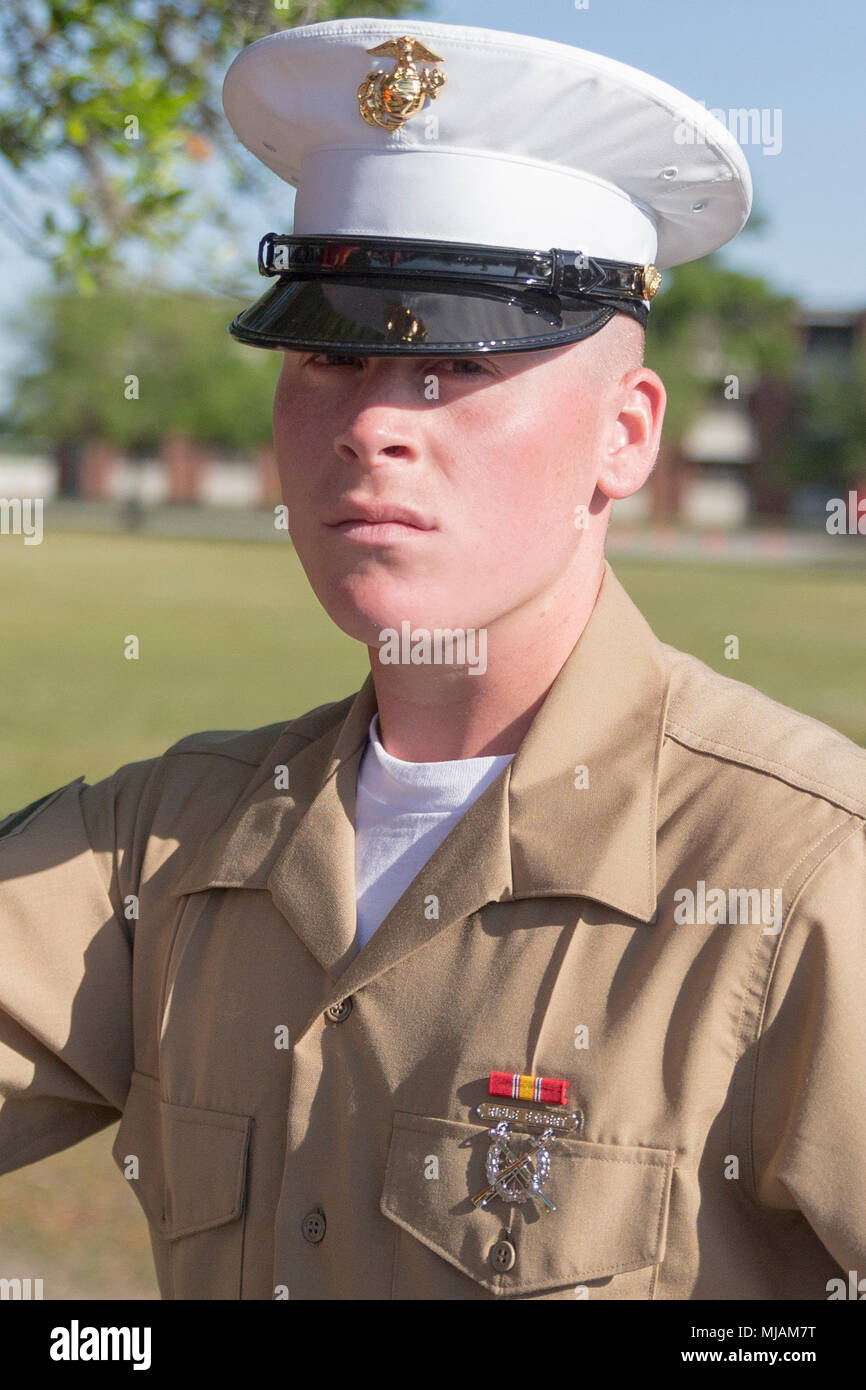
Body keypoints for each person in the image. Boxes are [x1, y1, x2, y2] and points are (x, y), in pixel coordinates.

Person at [1, 16, 865, 1302]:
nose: (368, 428)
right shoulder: (161, 846)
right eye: (332, 355)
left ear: (623, 435)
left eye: (458, 361)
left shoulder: (801, 874)